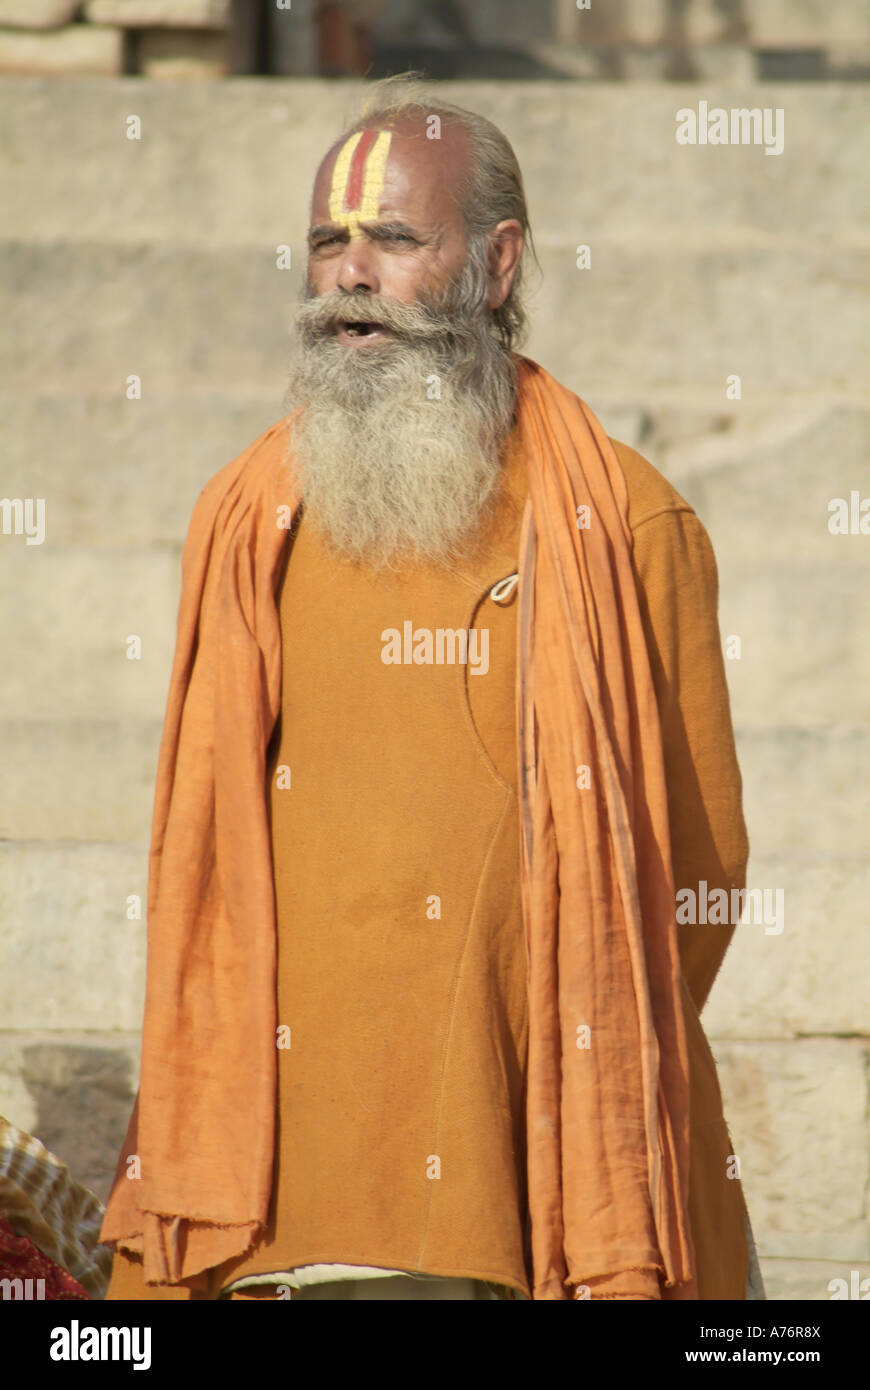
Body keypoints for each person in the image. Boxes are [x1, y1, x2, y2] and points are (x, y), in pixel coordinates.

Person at [100, 75, 762, 1301]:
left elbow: (700, 874)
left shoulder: (625, 523)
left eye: (395, 239)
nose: (348, 274)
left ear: (496, 265)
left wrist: (553, 1041)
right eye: (325, 243)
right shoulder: (245, 520)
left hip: (525, 1192)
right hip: (275, 1197)